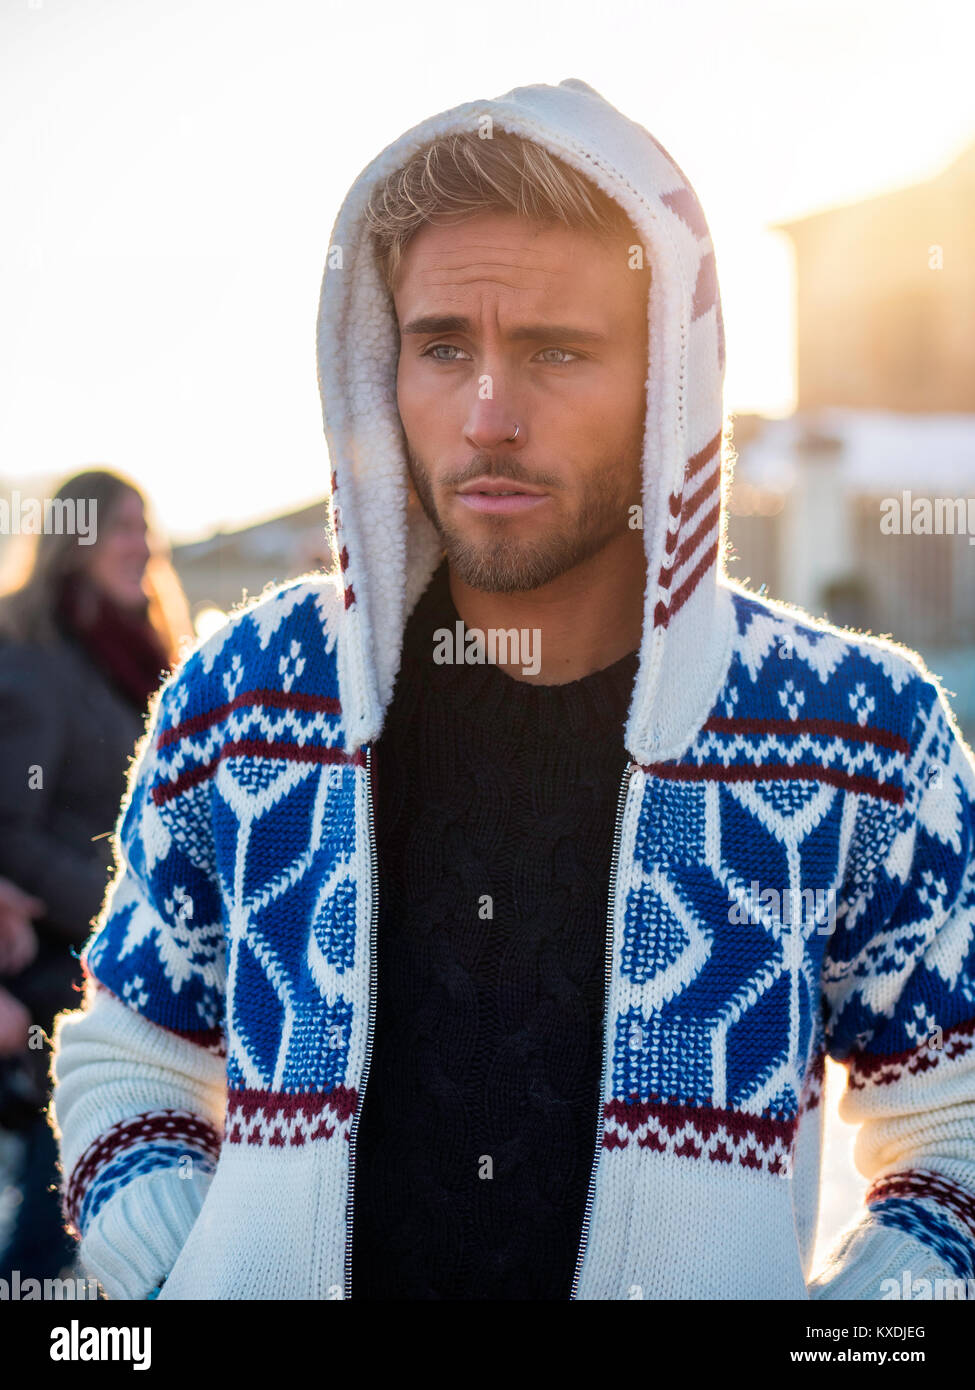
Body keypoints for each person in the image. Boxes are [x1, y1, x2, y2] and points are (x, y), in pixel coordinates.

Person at [51, 79, 975, 1300]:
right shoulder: (245, 698)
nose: (489, 416)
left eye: (555, 350)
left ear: (668, 382)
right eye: (444, 347)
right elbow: (130, 1061)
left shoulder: (859, 731)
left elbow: (955, 1132)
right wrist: (185, 1283)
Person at [0, 468, 190, 1281]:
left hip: (121, 974)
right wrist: (124, 911)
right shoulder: (34, 656)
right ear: (74, 540)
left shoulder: (134, 652)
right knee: (57, 1214)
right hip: (59, 973)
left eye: (145, 526)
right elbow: (12, 832)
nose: (141, 545)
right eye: (121, 527)